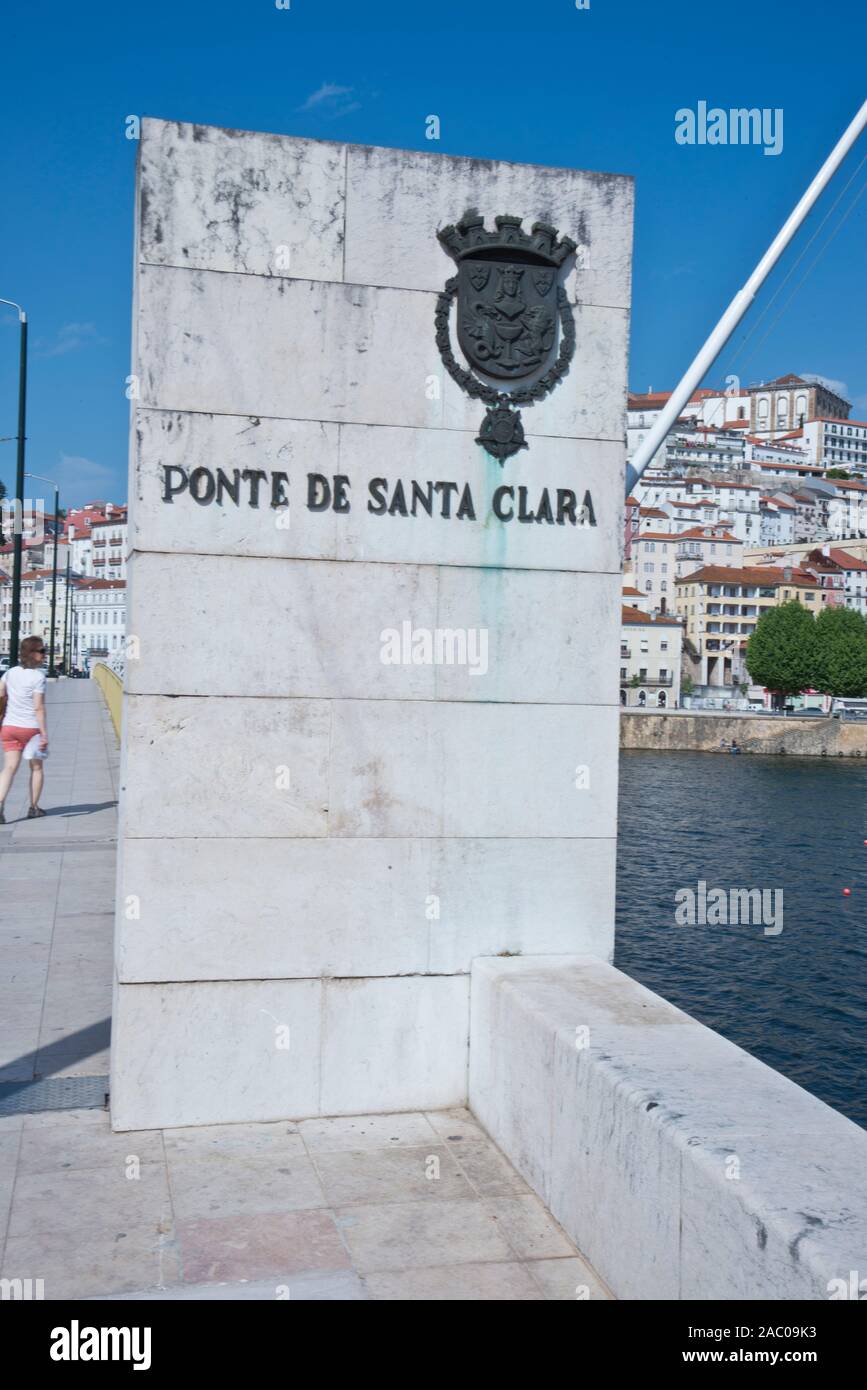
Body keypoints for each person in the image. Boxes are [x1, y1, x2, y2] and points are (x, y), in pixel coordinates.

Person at [0, 635, 49, 823]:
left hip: (9, 727)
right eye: (42, 651)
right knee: (36, 768)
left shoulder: (10, 673)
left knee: (9, 768)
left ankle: (0, 804)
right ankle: (34, 808)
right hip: (31, 730)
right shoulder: (38, 676)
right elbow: (38, 707)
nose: (45, 655)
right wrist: (44, 734)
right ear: (32, 653)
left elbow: (1, 695)